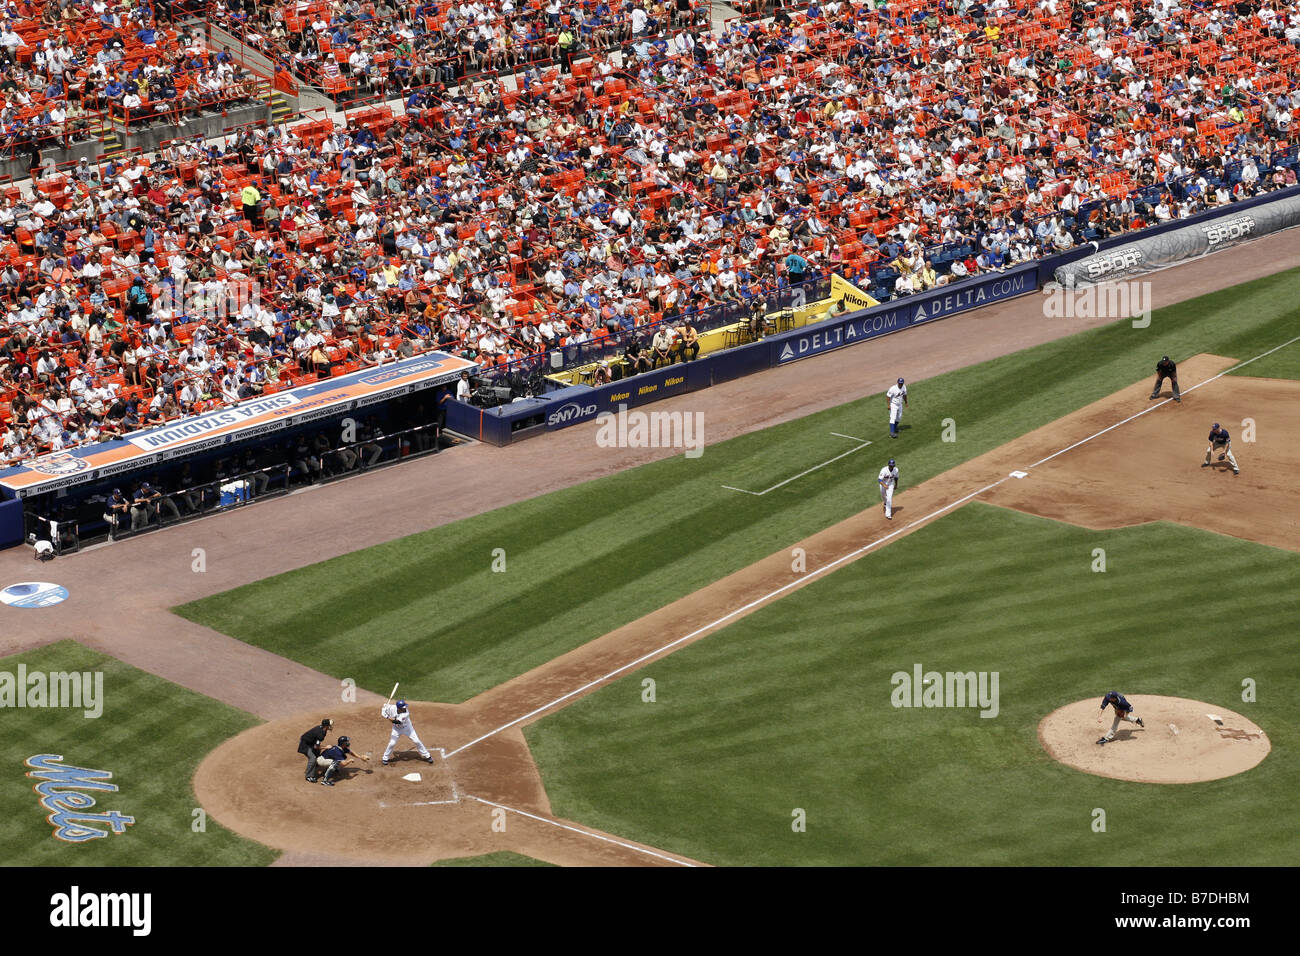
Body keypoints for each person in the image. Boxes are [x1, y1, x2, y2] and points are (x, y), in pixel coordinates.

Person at [380, 699, 434, 765]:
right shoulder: (392, 708)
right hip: (396, 729)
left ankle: (427, 756)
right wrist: (385, 707)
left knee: (417, 741)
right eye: (403, 708)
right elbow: (387, 706)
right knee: (392, 743)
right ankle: (385, 758)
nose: (405, 708)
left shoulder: (406, 713)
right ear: (398, 708)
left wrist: (386, 716)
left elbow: (396, 721)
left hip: (408, 729)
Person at [298, 717, 334, 783]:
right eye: (329, 725)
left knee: (317, 752)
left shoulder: (323, 729)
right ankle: (309, 776)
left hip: (311, 743)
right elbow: (316, 747)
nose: (331, 726)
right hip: (305, 745)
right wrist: (326, 747)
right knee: (313, 758)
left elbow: (316, 746)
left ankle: (315, 765)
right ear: (326, 726)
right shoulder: (320, 734)